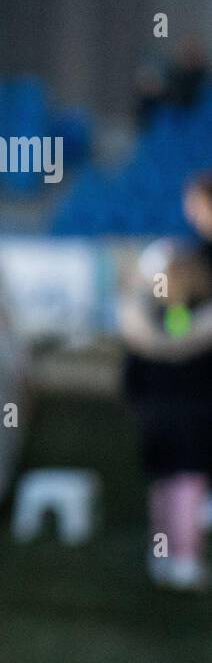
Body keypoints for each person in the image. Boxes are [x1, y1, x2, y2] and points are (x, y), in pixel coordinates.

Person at [118, 172, 212, 591]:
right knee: (188, 483)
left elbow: (132, 376)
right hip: (194, 417)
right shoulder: (198, 321)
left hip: (155, 417)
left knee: (163, 484)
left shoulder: (146, 322)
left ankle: (162, 556)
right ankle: (185, 558)